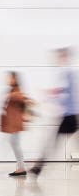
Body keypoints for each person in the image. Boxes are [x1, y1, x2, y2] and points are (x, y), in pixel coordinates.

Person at [32, 47, 77, 175]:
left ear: (65, 57)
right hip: (69, 114)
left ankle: (38, 167)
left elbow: (62, 92)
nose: (58, 60)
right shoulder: (67, 73)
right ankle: (38, 167)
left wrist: (48, 95)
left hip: (71, 115)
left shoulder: (67, 73)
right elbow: (63, 92)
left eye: (60, 57)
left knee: (52, 141)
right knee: (53, 140)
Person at [1, 72, 31, 177]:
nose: (8, 80)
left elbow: (23, 99)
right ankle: (21, 167)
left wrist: (11, 95)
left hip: (15, 122)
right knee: (14, 143)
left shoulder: (16, 90)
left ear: (15, 79)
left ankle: (21, 168)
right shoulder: (12, 90)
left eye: (10, 78)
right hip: (13, 122)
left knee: (15, 144)